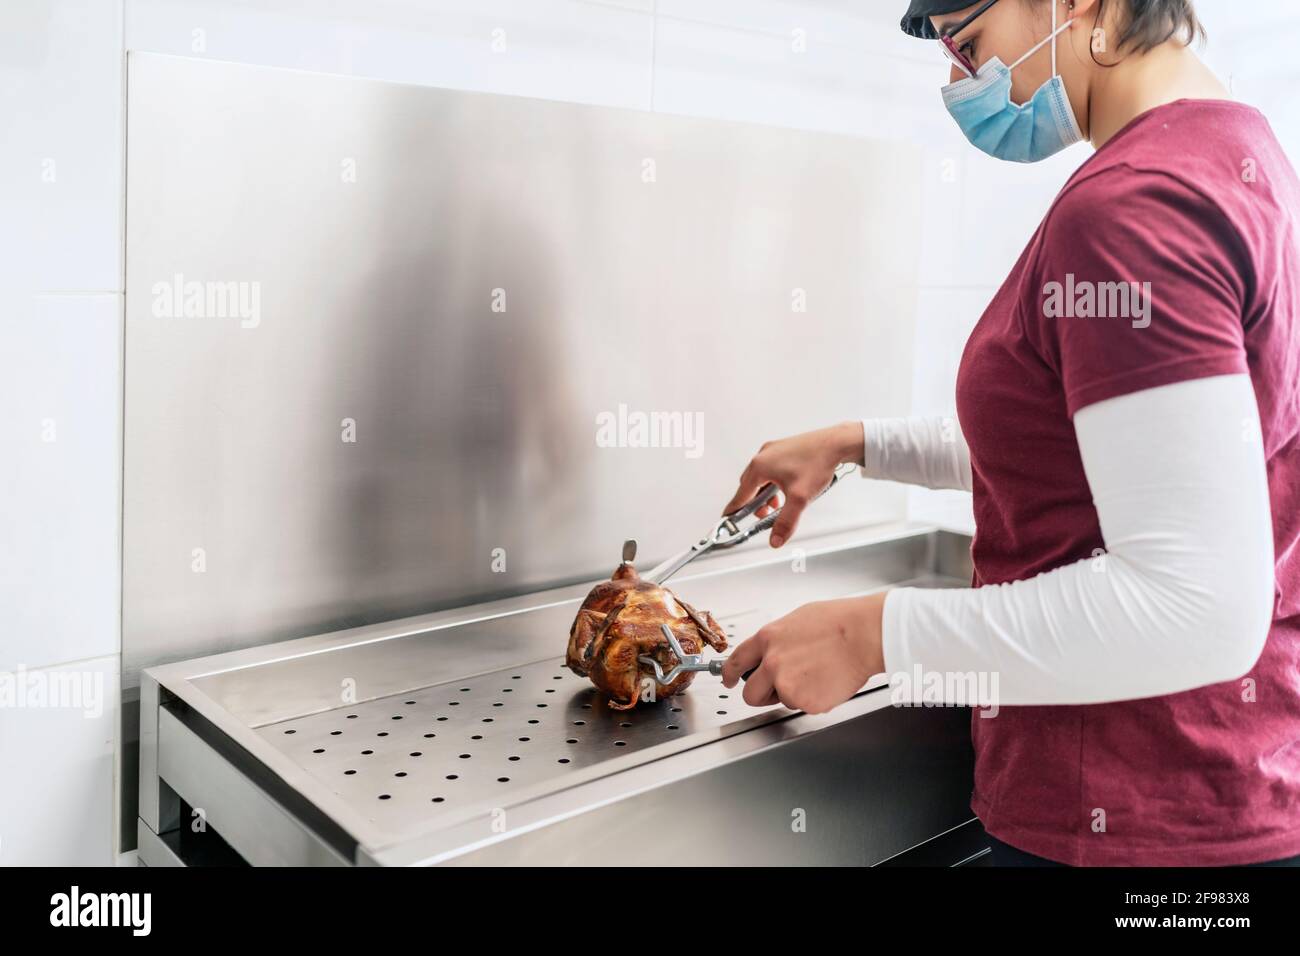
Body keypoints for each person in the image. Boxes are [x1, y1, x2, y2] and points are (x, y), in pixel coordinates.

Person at [720, 0, 1300, 866]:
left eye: (968, 45)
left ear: (1085, 8)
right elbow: (1109, 454)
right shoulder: (1236, 155)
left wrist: (873, 634)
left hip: (1131, 817)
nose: (959, 84)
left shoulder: (1133, 209)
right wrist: (859, 444)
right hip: (1231, 787)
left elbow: (1199, 608)